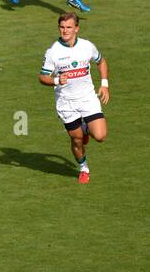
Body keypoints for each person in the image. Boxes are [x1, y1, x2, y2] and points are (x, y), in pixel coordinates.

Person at [40, 13, 109, 184]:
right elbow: (42, 77)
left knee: (100, 136)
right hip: (66, 103)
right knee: (77, 139)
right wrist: (56, 80)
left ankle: (86, 128)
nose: (65, 31)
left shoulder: (87, 46)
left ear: (76, 29)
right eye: (62, 27)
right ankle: (84, 168)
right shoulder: (53, 52)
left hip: (87, 99)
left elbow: (101, 61)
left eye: (69, 27)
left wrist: (104, 84)